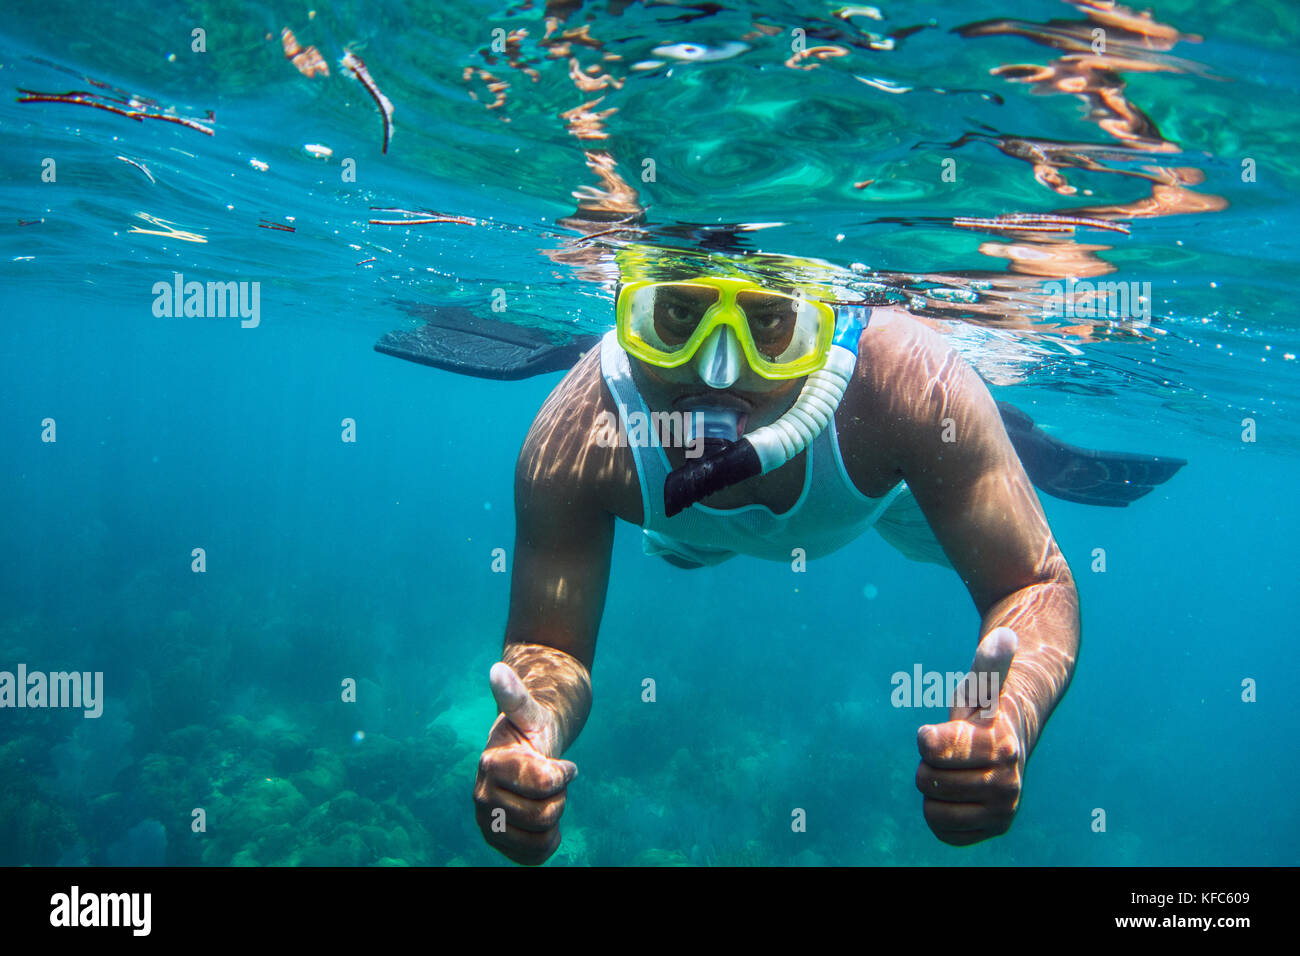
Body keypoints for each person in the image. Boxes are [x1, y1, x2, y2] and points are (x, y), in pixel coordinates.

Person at [471, 254, 1082, 865]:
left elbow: (1035, 584)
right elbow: (551, 647)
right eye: (679, 314)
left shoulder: (907, 383)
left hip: (879, 500)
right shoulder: (578, 434)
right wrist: (531, 731)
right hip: (695, 526)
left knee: (943, 490)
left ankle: (1002, 436)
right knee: (690, 550)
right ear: (631, 314)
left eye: (769, 324)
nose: (716, 371)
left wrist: (1010, 718)